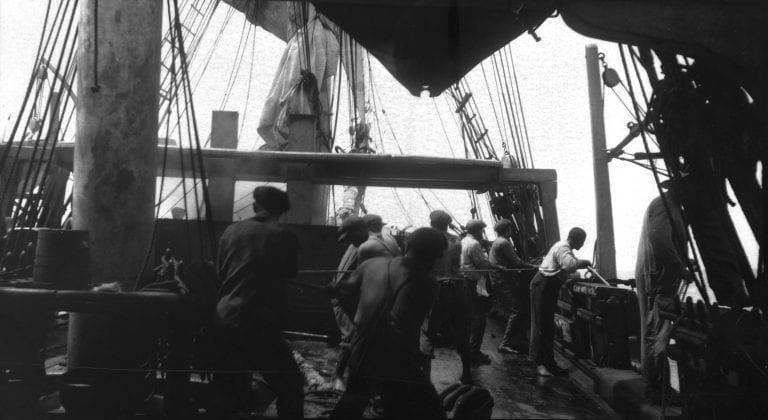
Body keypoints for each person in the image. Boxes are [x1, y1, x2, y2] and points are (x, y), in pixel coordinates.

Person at [331, 228, 448, 420]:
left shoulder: (371, 265)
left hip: (360, 351)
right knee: (432, 411)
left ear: (407, 245)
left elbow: (342, 293)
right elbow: (401, 326)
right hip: (393, 360)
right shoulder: (427, 283)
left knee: (352, 403)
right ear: (434, 256)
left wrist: (362, 325)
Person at [213, 186, 303, 419]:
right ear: (281, 212)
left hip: (225, 318)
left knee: (226, 391)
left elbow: (221, 273)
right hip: (260, 322)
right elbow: (289, 273)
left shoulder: (230, 231)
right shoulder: (285, 236)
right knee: (291, 386)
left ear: (255, 206)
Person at [635, 184, 689, 399]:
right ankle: (657, 389)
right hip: (657, 282)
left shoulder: (671, 206)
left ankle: (659, 386)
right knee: (655, 335)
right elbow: (659, 240)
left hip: (660, 280)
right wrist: (680, 267)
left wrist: (684, 262)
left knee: (656, 333)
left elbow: (668, 243)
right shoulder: (665, 206)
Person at [530, 227, 591, 377]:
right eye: (582, 241)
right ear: (574, 239)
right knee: (541, 325)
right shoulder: (563, 247)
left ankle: (549, 363)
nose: (582, 244)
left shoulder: (563, 247)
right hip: (542, 286)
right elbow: (570, 265)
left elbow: (566, 270)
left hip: (547, 288)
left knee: (548, 327)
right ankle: (539, 364)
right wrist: (583, 262)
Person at [421, 210, 472, 384]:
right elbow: (456, 264)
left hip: (437, 288)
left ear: (432, 223)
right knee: (462, 330)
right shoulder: (456, 240)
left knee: (428, 333)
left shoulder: (428, 239)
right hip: (457, 286)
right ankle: (467, 373)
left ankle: (425, 378)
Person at [330, 215, 372, 390]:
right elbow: (344, 283)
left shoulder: (364, 246)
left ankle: (356, 377)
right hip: (342, 297)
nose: (349, 240)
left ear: (361, 231)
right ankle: (337, 376)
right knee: (351, 335)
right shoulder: (357, 246)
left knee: (360, 337)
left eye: (350, 235)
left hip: (353, 297)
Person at [490, 219, 538, 355]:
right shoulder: (504, 242)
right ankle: (505, 343)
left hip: (498, 280)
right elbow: (516, 262)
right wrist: (533, 266)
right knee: (517, 310)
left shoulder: (496, 241)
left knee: (514, 309)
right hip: (504, 280)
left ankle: (517, 339)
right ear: (508, 230)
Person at [461, 219, 499, 364]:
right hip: (473, 283)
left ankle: (470, 349)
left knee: (471, 317)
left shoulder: (463, 241)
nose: (482, 233)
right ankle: (473, 352)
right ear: (477, 231)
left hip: (466, 282)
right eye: (482, 230)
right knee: (479, 318)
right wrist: (497, 267)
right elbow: (482, 264)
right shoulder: (474, 244)